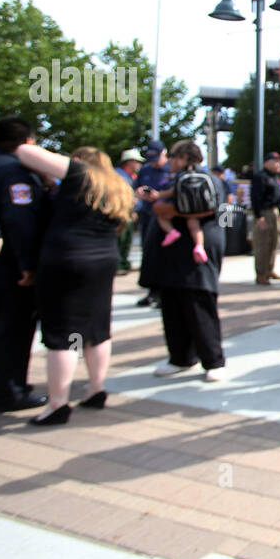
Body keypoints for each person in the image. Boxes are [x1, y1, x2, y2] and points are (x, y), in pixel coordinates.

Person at [13, 144, 135, 424]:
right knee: (97, 328)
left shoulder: (80, 173)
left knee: (62, 334)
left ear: (79, 160)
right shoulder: (118, 183)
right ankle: (96, 389)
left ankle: (57, 404)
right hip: (104, 260)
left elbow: (24, 152)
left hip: (66, 260)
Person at [0, 116, 47, 414]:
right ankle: (9, 392)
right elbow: (19, 220)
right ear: (27, 142)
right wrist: (28, 264)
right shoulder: (15, 171)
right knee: (15, 328)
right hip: (11, 266)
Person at [139, 141, 228, 381]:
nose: (170, 160)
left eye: (175, 156)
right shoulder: (198, 179)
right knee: (174, 305)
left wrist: (166, 208)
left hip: (194, 252)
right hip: (181, 252)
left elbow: (171, 209)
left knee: (197, 305)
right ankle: (180, 357)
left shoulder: (194, 179)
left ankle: (212, 360)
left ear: (186, 157)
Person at [134, 140, 171, 308]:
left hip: (165, 218)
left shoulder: (171, 169)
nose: (153, 160)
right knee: (149, 254)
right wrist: (140, 194)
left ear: (164, 153)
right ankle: (152, 292)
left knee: (165, 254)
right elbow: (137, 187)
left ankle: (165, 293)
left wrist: (159, 196)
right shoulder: (145, 169)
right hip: (148, 216)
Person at [250, 151, 280, 285]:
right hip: (264, 213)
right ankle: (261, 273)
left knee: (274, 243)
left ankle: (270, 269)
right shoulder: (260, 177)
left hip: (274, 212)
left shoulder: (276, 177)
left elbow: (278, 197)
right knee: (262, 244)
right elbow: (255, 198)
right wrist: (259, 216)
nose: (279, 164)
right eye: (275, 161)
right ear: (267, 162)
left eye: (279, 161)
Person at [114, 149, 144, 274]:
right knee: (120, 239)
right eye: (136, 161)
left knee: (127, 240)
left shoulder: (133, 176)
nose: (139, 164)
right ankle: (118, 265)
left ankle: (123, 263)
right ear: (128, 162)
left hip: (130, 213)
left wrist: (135, 210)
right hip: (120, 212)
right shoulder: (118, 175)